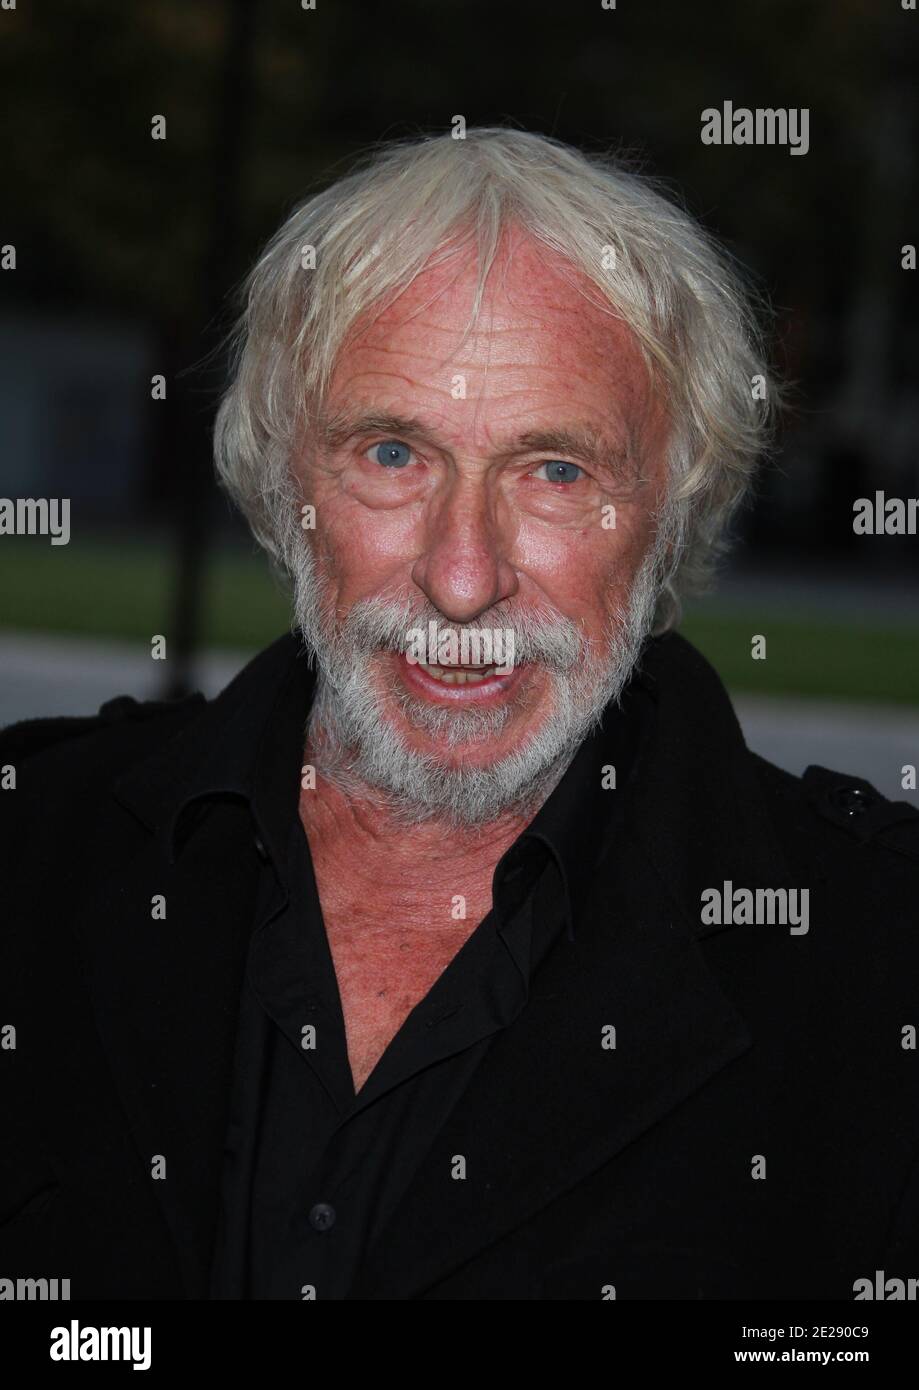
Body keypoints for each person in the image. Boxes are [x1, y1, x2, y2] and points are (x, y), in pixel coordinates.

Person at [2, 128, 918, 1301]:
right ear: (288, 491)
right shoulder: (28, 851)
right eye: (393, 453)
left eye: (555, 471)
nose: (463, 573)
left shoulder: (874, 968)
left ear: (672, 508)